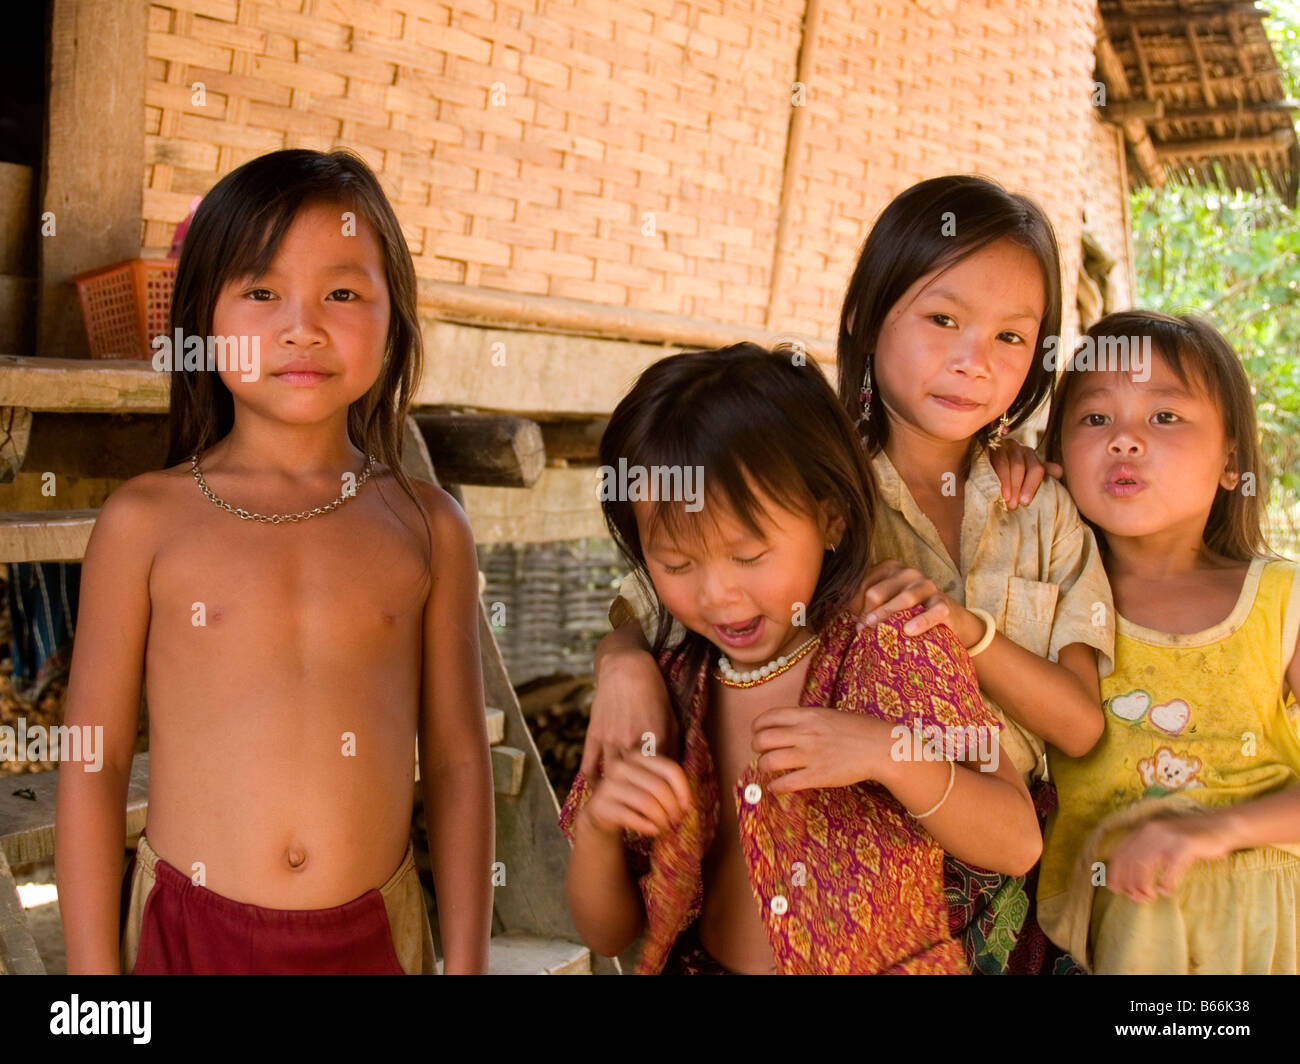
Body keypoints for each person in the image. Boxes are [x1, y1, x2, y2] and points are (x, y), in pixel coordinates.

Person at [582, 176, 1113, 973]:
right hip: (859, 842)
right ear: (866, 317)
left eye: (1011, 337)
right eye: (942, 319)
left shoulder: (1036, 502)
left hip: (998, 845)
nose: (973, 362)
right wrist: (621, 663)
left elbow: (1075, 729)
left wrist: (962, 640)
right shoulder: (801, 480)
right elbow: (653, 597)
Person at [55, 148, 493, 975]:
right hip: (187, 931)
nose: (303, 325)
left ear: (394, 314)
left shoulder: (428, 526)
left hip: (374, 938)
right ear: (201, 321)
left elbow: (460, 761)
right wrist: (91, 981)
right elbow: (95, 756)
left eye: (343, 292)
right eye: (261, 292)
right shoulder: (145, 520)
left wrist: (465, 965)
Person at [561, 343, 1040, 974]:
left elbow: (1016, 841)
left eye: (750, 556)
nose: (717, 594)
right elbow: (606, 934)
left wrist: (885, 752)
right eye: (676, 565)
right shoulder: (670, 686)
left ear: (831, 520)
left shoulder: (891, 643)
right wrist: (598, 827)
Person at [1035, 311, 1300, 974]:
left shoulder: (1281, 601)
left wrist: (1211, 832)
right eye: (1095, 419)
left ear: (1231, 458)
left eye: (1165, 417)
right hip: (1113, 943)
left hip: (1265, 936)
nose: (1124, 440)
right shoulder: (1044, 603)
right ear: (1057, 455)